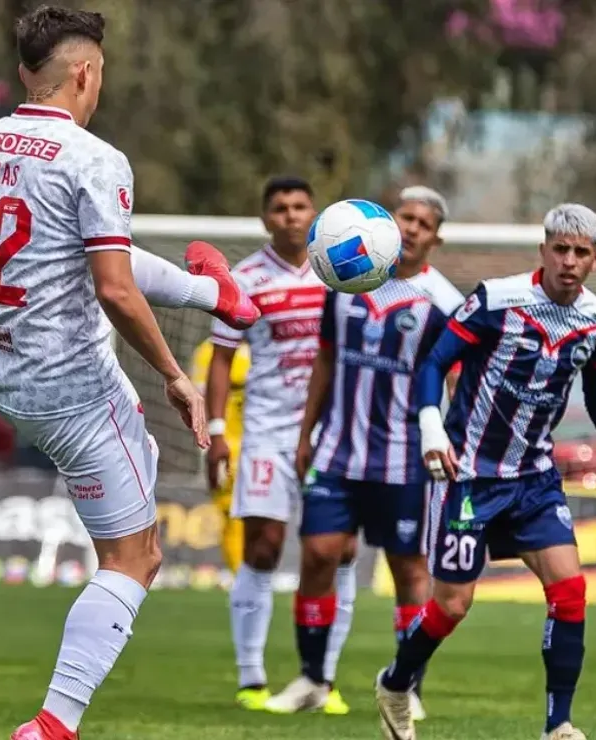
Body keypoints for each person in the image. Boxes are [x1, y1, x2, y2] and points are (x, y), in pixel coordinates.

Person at [0, 7, 256, 739]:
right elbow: (112, 287)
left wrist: (206, 295)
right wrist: (175, 374)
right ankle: (52, 726)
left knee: (128, 499)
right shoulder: (94, 159)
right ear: (86, 73)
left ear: (25, 73)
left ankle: (220, 293)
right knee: (136, 558)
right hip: (71, 383)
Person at [375, 203, 596, 740]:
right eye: (560, 249)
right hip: (468, 478)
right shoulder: (495, 300)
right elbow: (433, 363)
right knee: (452, 606)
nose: (568, 261)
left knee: (569, 591)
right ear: (543, 249)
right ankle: (396, 681)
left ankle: (559, 725)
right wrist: (432, 429)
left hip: (535, 480)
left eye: (580, 253)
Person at [266, 187, 463, 718]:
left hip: (404, 459)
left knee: (409, 570)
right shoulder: (344, 276)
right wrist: (305, 433)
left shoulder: (444, 304)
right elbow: (325, 360)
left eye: (425, 222)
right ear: (390, 223)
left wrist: (448, 444)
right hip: (338, 449)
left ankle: (406, 687)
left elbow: (457, 383)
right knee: (318, 555)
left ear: (436, 237)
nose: (415, 228)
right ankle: (313, 680)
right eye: (407, 217)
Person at [204, 176, 355, 714]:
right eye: (280, 208)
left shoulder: (342, 271)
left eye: (300, 207)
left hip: (332, 433)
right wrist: (217, 432)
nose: (291, 215)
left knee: (339, 551)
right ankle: (251, 678)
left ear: (314, 215)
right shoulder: (245, 279)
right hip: (267, 433)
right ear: (266, 218)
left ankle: (324, 679)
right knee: (262, 548)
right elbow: (221, 358)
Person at [189, 338, 251, 573]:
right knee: (229, 512)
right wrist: (208, 441)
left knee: (254, 514)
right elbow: (198, 399)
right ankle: (240, 574)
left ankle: (250, 574)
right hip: (223, 442)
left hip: (256, 443)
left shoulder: (260, 349)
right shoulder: (208, 351)